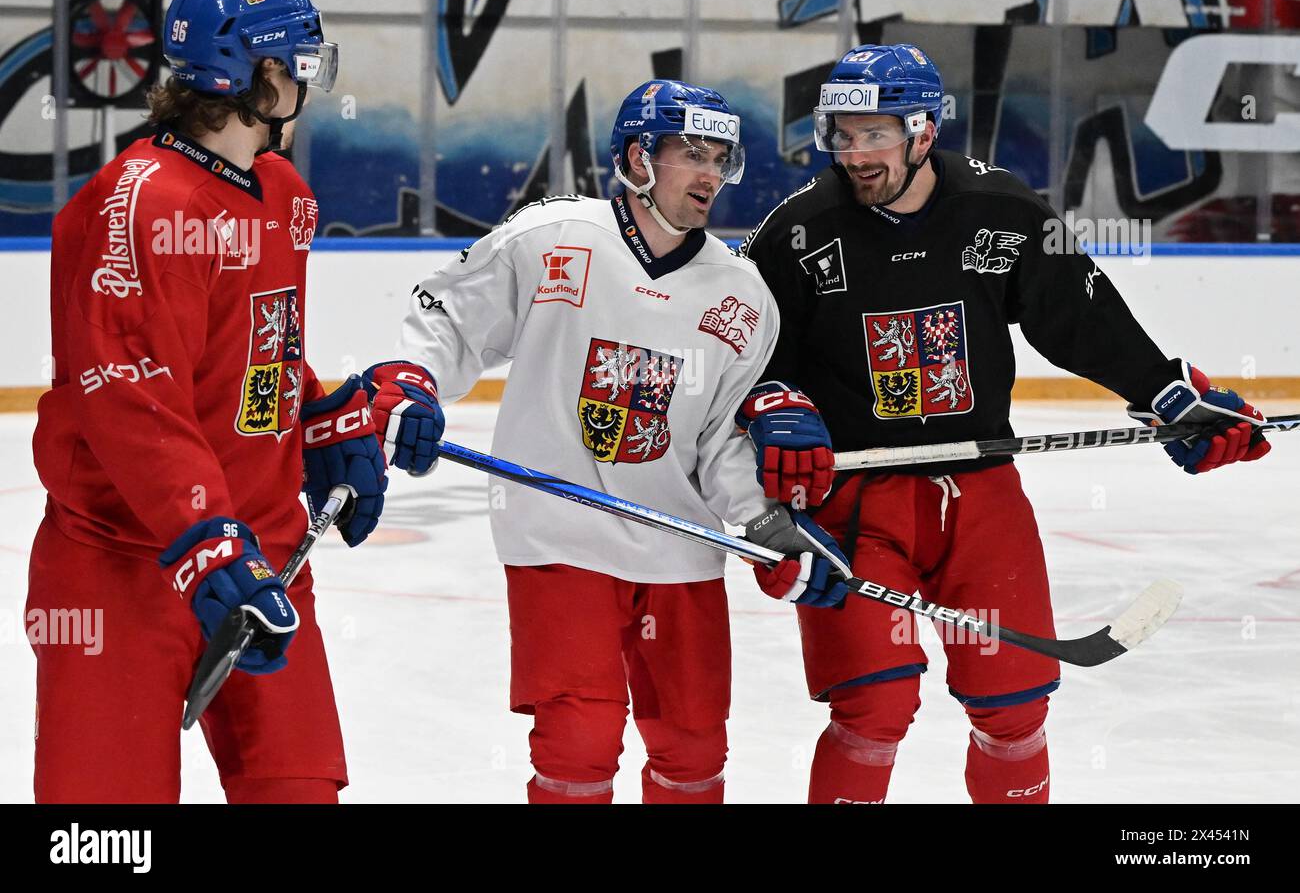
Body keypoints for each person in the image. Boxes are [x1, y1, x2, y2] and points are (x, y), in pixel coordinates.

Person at [738, 43, 1271, 804]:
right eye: (843, 135)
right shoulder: (794, 236)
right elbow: (744, 359)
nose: (855, 153)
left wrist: (1168, 394)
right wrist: (771, 405)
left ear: (924, 132)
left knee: (1014, 708)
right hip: (854, 504)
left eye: (876, 133)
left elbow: (1079, 319)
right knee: (873, 709)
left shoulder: (1001, 210)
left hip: (980, 496)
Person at [27, 0, 434, 803]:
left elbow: (259, 356)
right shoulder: (136, 205)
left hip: (265, 556)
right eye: (297, 64)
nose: (307, 82)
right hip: (126, 563)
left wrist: (326, 427)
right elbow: (127, 391)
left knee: (298, 787)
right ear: (251, 76)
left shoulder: (283, 193)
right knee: (106, 831)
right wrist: (205, 534)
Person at [383, 80, 846, 803]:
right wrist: (412, 380)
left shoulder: (742, 295)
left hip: (679, 545)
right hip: (558, 536)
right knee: (578, 744)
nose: (709, 175)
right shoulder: (553, 237)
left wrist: (767, 524)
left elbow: (723, 439)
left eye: (721, 157)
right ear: (637, 157)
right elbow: (452, 317)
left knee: (693, 753)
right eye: (691, 153)